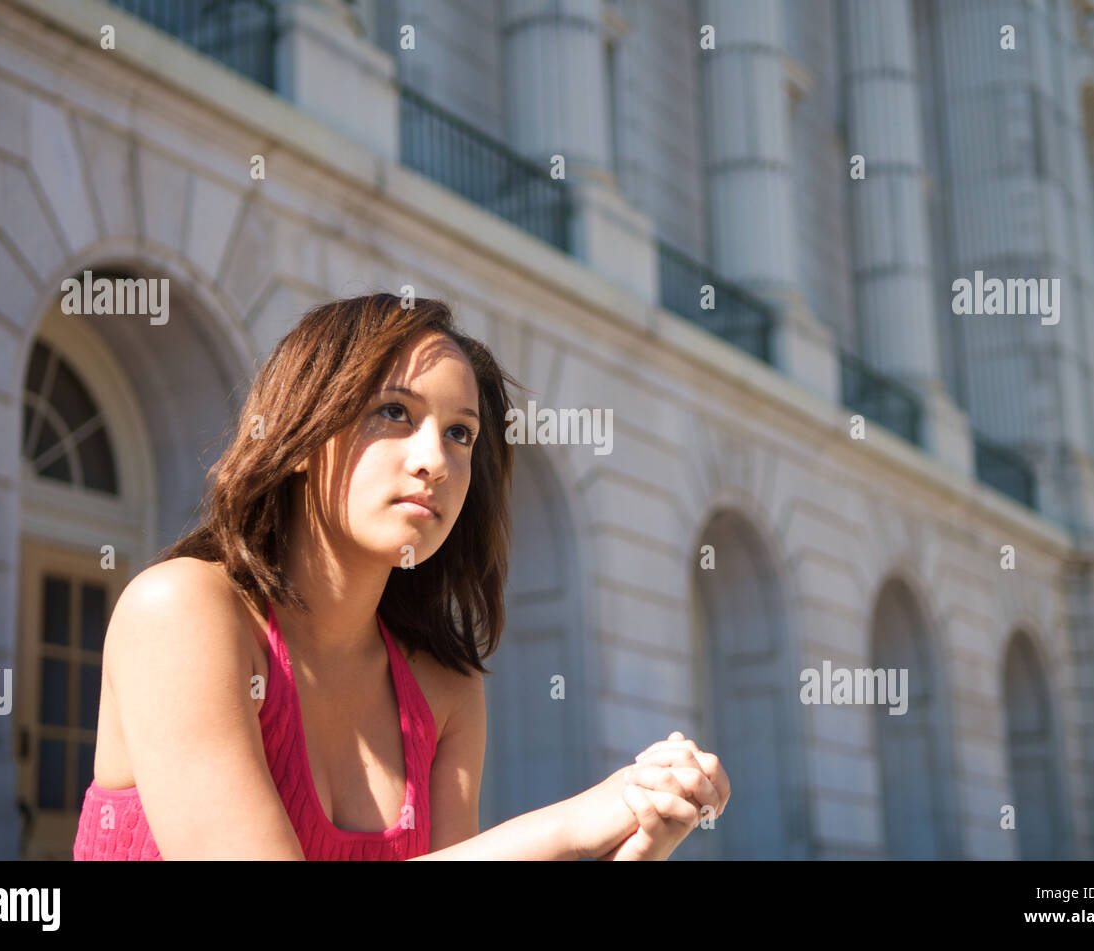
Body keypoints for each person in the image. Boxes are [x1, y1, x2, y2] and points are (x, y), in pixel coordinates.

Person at [72, 293, 729, 860]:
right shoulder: (179, 611)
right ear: (302, 436)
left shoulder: (444, 687)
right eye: (394, 412)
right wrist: (568, 826)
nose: (435, 459)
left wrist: (634, 836)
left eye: (461, 433)